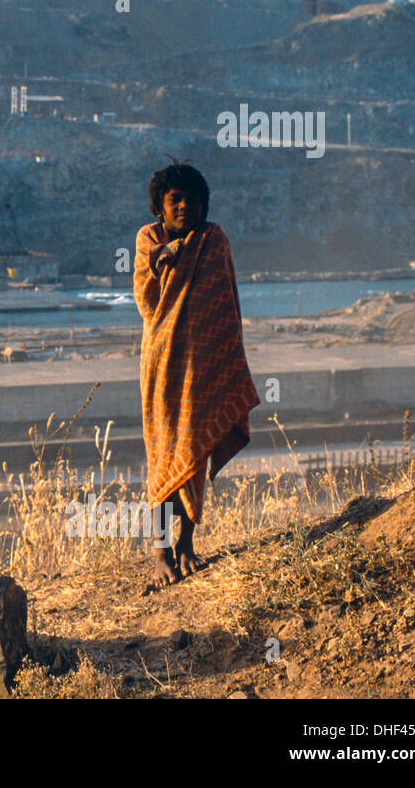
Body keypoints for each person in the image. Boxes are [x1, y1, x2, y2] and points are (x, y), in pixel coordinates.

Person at [134, 160, 260, 587]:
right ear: (160, 207)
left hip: (203, 366)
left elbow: (226, 305)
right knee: (164, 458)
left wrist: (226, 360)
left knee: (196, 451)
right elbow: (146, 300)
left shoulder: (213, 239)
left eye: (193, 199)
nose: (185, 206)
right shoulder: (148, 240)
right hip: (162, 367)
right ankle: (161, 554)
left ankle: (186, 545)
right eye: (176, 200)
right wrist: (162, 258)